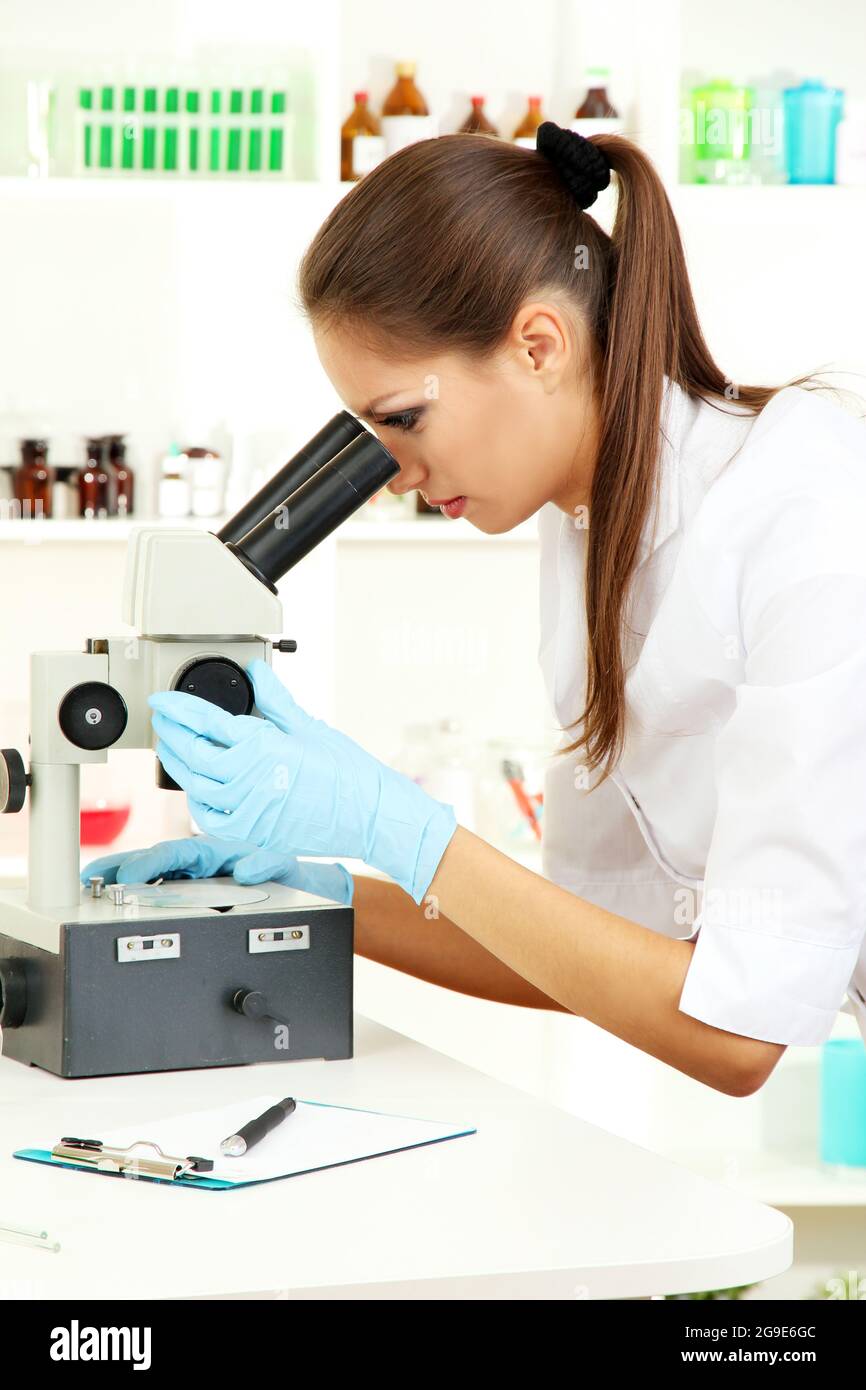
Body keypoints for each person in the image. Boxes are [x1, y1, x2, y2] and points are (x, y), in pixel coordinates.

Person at [82, 122, 866, 1099]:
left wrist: (397, 824)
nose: (394, 472)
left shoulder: (803, 515)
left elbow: (733, 1034)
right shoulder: (583, 526)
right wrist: (322, 891)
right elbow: (599, 948)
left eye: (402, 419)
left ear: (538, 343)